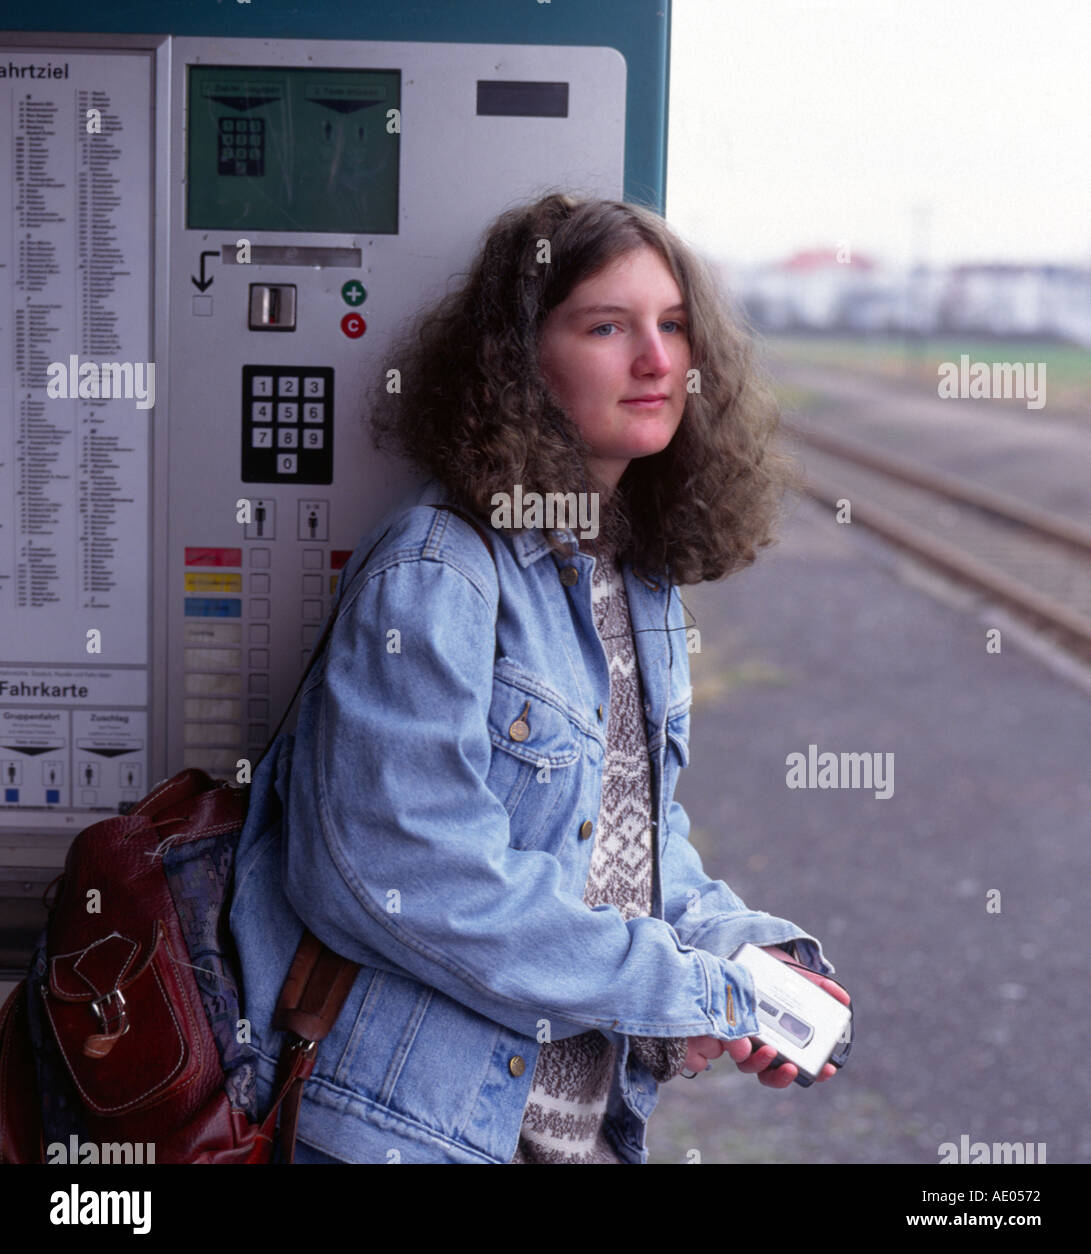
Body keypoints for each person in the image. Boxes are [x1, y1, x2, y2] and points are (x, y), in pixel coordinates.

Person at [228, 191, 850, 1164]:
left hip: (571, 1133)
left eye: (673, 325)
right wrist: (691, 988)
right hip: (417, 1134)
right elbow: (398, 876)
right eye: (607, 325)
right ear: (519, 360)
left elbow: (624, 846)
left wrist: (747, 951)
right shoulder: (439, 571)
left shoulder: (628, 576)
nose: (655, 359)